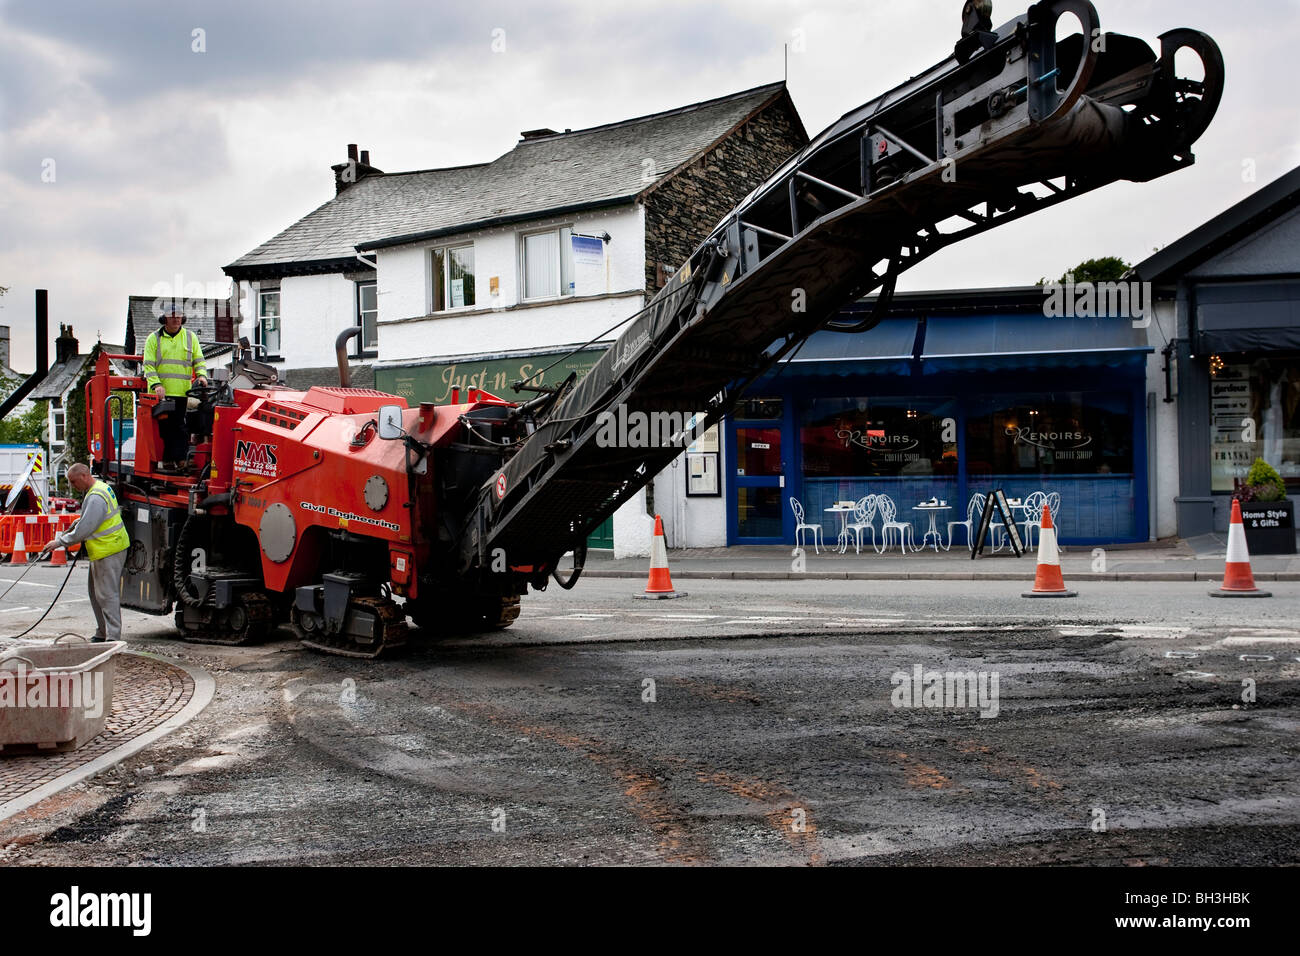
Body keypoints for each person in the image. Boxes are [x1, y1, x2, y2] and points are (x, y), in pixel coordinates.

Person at [40, 463, 130, 644]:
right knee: (96, 593)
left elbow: (86, 529)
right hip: (105, 549)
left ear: (83, 476)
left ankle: (112, 640)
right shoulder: (101, 488)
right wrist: (78, 524)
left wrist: (59, 542)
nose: (73, 486)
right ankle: (102, 632)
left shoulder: (96, 496)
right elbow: (90, 521)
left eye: (74, 482)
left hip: (108, 549)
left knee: (106, 595)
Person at [143, 304, 207, 471]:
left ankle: (178, 459)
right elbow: (148, 366)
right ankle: (169, 460)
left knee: (179, 426)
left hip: (181, 391)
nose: (176, 319)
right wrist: (156, 384)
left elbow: (199, 360)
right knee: (165, 428)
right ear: (164, 319)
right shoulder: (153, 339)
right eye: (173, 316)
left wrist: (202, 375)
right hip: (160, 394)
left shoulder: (190, 337)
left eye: (179, 316)